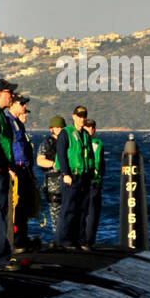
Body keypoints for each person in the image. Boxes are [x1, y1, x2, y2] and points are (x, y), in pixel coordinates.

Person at [54, 105, 94, 250]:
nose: (82, 119)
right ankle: (63, 240)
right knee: (68, 209)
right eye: (79, 116)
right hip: (71, 175)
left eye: (84, 116)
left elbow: (89, 156)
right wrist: (65, 173)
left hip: (83, 176)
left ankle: (80, 240)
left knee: (82, 210)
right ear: (74, 117)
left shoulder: (85, 135)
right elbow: (61, 154)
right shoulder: (66, 133)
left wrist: (90, 174)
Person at [8, 93, 38, 251]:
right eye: (21, 103)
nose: (24, 107)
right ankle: (16, 240)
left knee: (24, 207)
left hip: (24, 168)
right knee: (17, 206)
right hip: (17, 168)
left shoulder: (18, 124)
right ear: (12, 104)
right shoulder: (9, 122)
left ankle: (22, 238)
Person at [0, 77, 17, 266]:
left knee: (1, 213)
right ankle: (0, 257)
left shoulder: (2, 115)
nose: (13, 96)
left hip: (2, 169)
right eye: (9, 93)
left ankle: (2, 254)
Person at [37, 114, 66, 246]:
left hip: (66, 179)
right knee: (55, 211)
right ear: (52, 129)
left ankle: (65, 238)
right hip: (53, 180)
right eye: (57, 127)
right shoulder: (47, 143)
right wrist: (54, 164)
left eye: (61, 127)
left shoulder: (67, 141)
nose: (59, 129)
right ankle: (57, 238)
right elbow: (39, 160)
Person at [83, 119, 105, 248]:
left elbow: (101, 164)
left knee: (92, 212)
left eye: (92, 127)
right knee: (90, 212)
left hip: (93, 181)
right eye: (88, 127)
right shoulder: (95, 143)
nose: (91, 129)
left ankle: (88, 240)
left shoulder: (97, 143)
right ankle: (86, 240)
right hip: (88, 181)